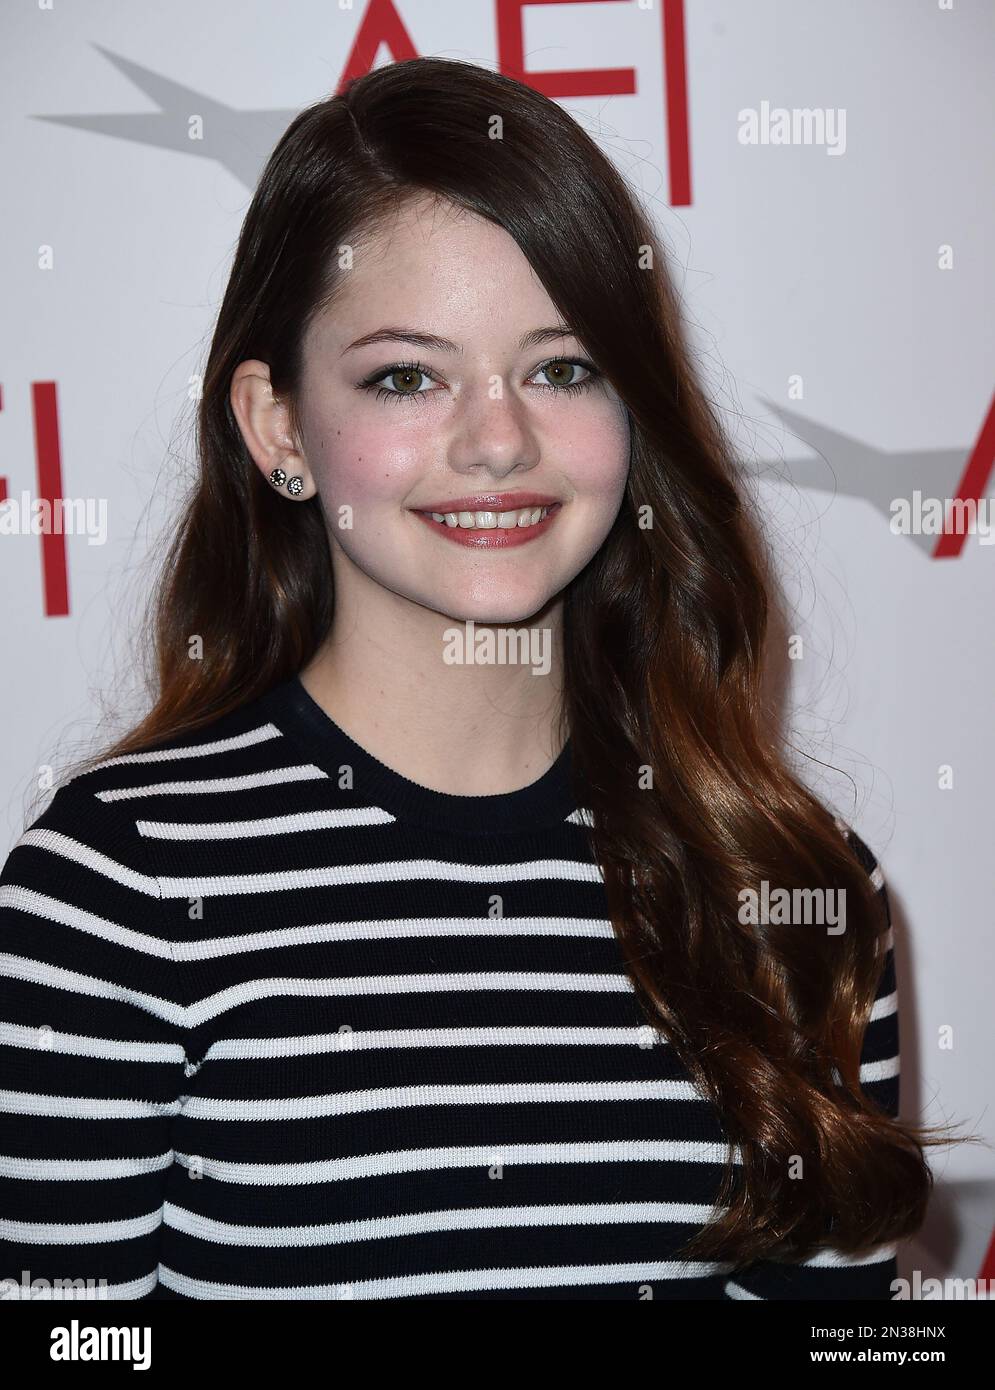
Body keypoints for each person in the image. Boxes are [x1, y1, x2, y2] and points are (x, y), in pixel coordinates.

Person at [0, 56, 947, 1302]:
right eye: (406, 375)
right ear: (278, 427)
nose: (496, 441)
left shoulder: (790, 887)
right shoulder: (116, 891)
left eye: (561, 368)